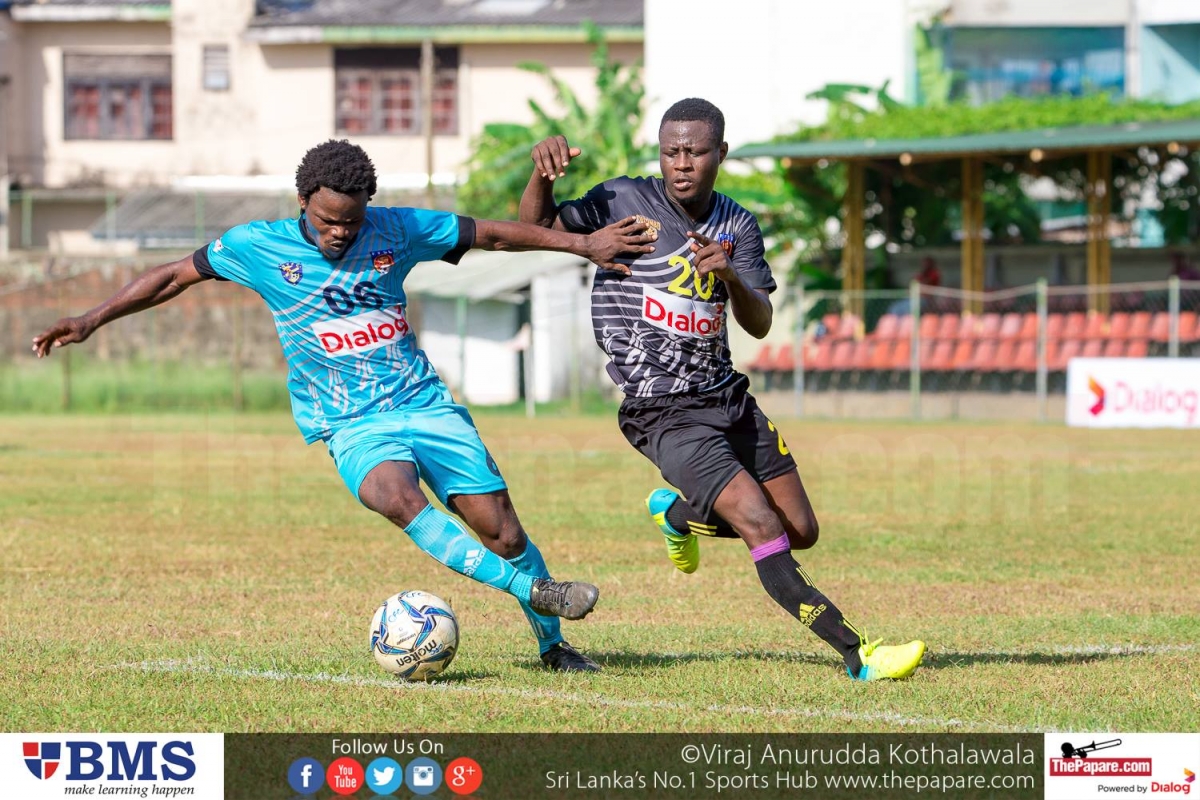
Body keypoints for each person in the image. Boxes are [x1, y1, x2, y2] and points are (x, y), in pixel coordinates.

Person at [32, 139, 657, 674]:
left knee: (503, 529)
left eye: (351, 223)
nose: (340, 233)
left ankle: (553, 647)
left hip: (425, 404)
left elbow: (488, 233)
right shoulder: (258, 247)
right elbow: (172, 276)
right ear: (303, 203)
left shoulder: (398, 229)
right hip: (351, 422)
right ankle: (538, 591)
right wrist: (91, 319)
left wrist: (583, 246)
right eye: (329, 221)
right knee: (394, 497)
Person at [519, 98, 926, 681]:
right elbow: (533, 231)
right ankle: (857, 653)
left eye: (695, 151)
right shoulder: (623, 199)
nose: (681, 163)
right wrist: (542, 174)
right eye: (670, 151)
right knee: (760, 525)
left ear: (721, 154)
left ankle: (680, 518)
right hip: (663, 412)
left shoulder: (738, 223)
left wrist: (731, 276)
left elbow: (758, 322)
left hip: (728, 397)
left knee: (800, 532)